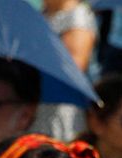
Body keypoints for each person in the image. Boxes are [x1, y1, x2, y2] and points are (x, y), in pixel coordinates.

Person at [30, 0, 98, 143]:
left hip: (62, 112)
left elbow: (73, 70)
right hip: (37, 106)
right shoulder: (42, 13)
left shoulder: (78, 16)